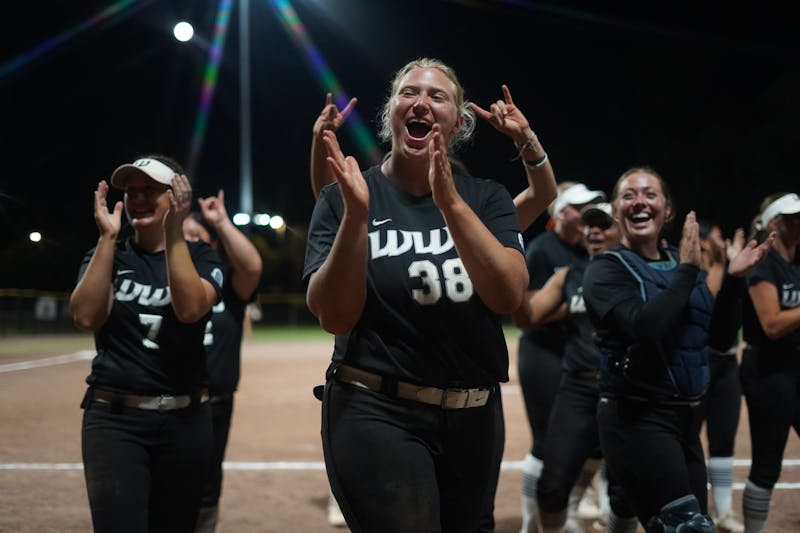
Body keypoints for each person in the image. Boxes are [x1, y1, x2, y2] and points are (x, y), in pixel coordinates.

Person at [309, 81, 558, 531]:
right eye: (408, 93)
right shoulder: (349, 198)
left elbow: (507, 297)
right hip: (376, 408)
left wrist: (451, 204)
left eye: (437, 96)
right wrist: (357, 218)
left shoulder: (486, 198)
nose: (421, 102)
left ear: (459, 123)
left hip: (474, 413)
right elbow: (335, 317)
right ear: (390, 112)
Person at [581, 166, 773, 532]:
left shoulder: (682, 263)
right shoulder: (606, 270)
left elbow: (718, 340)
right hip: (635, 418)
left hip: (685, 421)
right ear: (616, 211)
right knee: (686, 526)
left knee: (688, 522)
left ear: (667, 209)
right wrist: (687, 270)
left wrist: (733, 280)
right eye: (628, 195)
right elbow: (646, 326)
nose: (639, 201)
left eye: (650, 194)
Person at [70, 155, 223, 532]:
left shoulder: (202, 256)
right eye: (132, 191)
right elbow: (85, 317)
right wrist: (107, 237)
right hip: (115, 420)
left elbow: (189, 309)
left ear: (177, 194)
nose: (138, 199)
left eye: (151, 190)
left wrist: (174, 232)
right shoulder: (110, 254)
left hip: (185, 421)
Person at [526, 202, 639, 533]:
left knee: (625, 495)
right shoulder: (571, 273)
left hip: (625, 390)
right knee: (551, 487)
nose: (594, 232)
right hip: (578, 386)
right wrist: (514, 270)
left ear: (622, 230)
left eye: (604, 225)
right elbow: (527, 315)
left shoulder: (638, 273)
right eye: (590, 225)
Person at [513, 180, 606, 533]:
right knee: (545, 442)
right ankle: (530, 525)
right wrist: (574, 301)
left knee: (593, 444)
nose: (587, 217)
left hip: (572, 353)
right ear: (563, 213)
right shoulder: (542, 250)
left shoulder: (586, 250)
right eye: (580, 209)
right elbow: (528, 310)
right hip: (542, 353)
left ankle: (567, 510)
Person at [183, 190, 263, 533]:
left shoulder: (227, 286)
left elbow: (252, 266)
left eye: (195, 235)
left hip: (214, 405)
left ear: (212, 245)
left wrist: (221, 222)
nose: (188, 241)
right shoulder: (159, 281)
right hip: (171, 402)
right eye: (180, 235)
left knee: (205, 488)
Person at [739, 192, 800, 533]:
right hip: (768, 371)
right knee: (767, 465)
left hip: (794, 367)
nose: (799, 223)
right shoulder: (762, 262)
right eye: (793, 218)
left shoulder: (795, 262)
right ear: (775, 224)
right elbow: (773, 324)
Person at [697, 220, 747, 533]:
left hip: (727, 365)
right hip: (697, 364)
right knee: (687, 439)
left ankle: (724, 512)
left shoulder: (729, 275)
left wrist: (735, 274)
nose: (722, 243)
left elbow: (730, 323)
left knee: (724, 439)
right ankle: (691, 511)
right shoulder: (690, 275)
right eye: (716, 238)